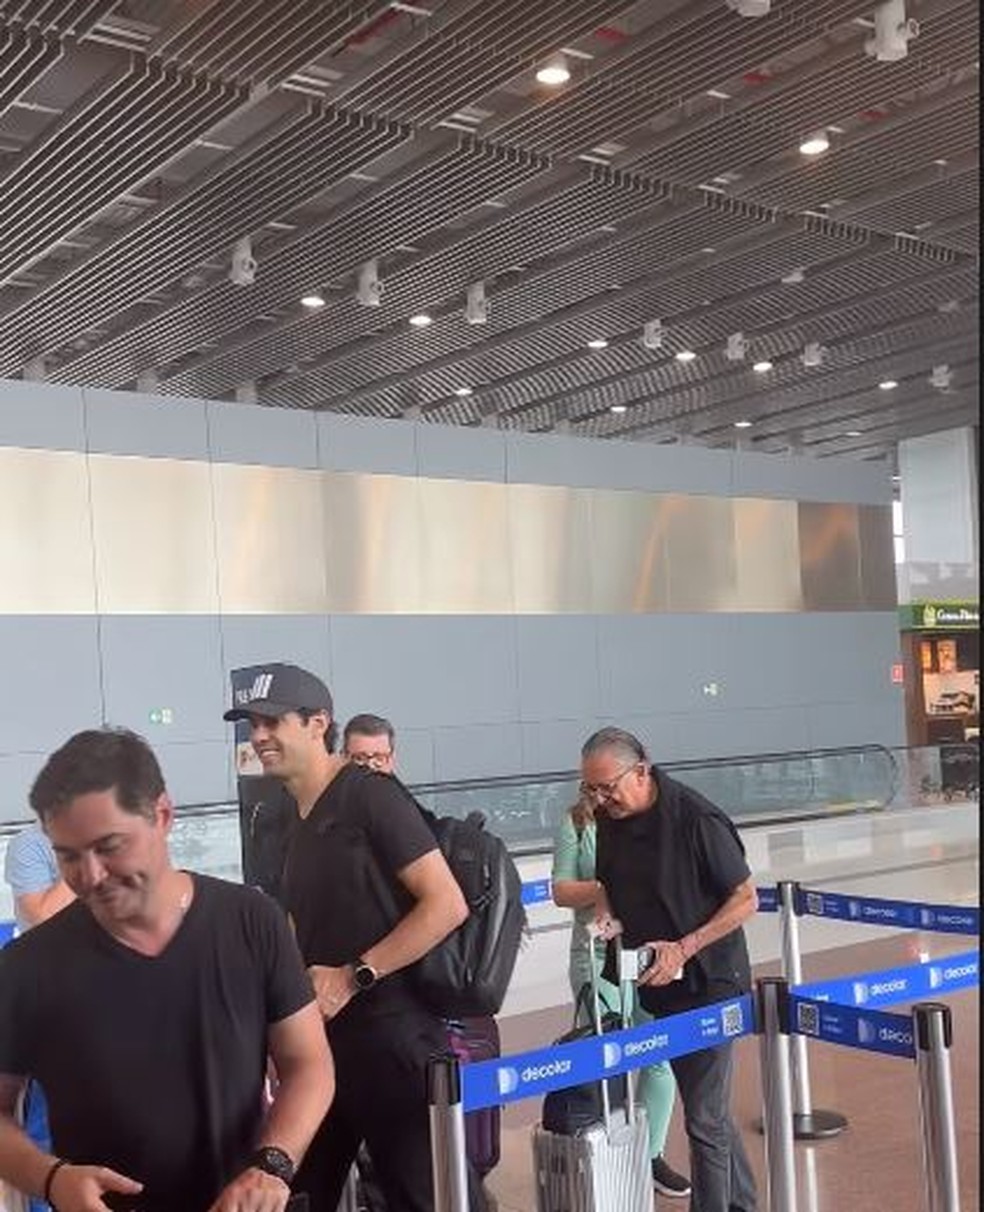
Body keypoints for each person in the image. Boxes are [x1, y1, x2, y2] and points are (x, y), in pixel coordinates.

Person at [0, 727, 334, 1212]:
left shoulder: (250, 922)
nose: (90, 876)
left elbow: (308, 1063)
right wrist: (52, 1179)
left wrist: (272, 1166)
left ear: (162, 815)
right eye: (68, 856)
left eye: (109, 846)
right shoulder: (28, 968)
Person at [224, 664, 471, 1212]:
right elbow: (295, 927)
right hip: (323, 1051)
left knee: (430, 1198)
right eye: (250, 724)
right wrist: (279, 1023)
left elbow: (445, 904)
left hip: (395, 1042)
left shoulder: (370, 797)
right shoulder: (284, 816)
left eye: (271, 721)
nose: (258, 736)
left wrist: (355, 975)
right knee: (290, 1192)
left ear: (318, 723)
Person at [583, 727, 758, 1212]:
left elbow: (746, 899)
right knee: (710, 1114)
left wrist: (685, 947)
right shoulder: (610, 818)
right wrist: (608, 914)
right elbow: (606, 881)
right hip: (660, 985)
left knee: (703, 1119)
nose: (600, 799)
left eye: (607, 787)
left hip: (712, 984)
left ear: (641, 770)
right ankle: (743, 1204)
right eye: (591, 789)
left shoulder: (696, 819)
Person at [552, 796, 691, 1199]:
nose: (602, 795)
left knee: (658, 1055)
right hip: (598, 955)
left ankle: (650, 1156)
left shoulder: (650, 822)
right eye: (593, 785)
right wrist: (605, 888)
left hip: (647, 953)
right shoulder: (577, 823)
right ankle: (601, 1156)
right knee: (601, 1058)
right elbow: (560, 890)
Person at [3, 825, 75, 1212]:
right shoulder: (29, 845)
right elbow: (45, 914)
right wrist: (88, 855)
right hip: (48, 1006)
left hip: (107, 997)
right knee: (47, 1129)